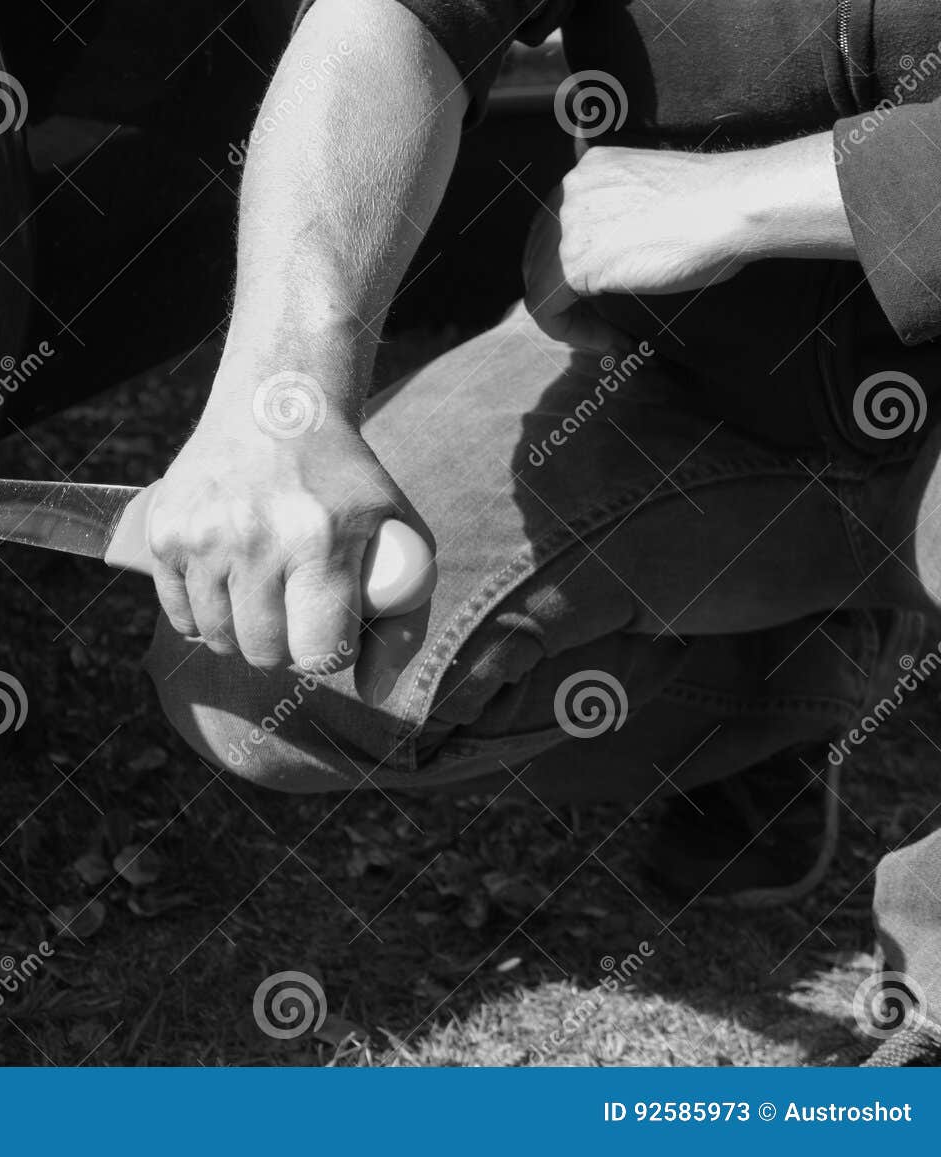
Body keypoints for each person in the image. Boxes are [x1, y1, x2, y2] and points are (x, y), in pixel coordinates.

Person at [143, 0, 941, 1065]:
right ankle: (784, 684)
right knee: (265, 667)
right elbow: (388, 23)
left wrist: (759, 199)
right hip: (692, 369)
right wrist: (282, 396)